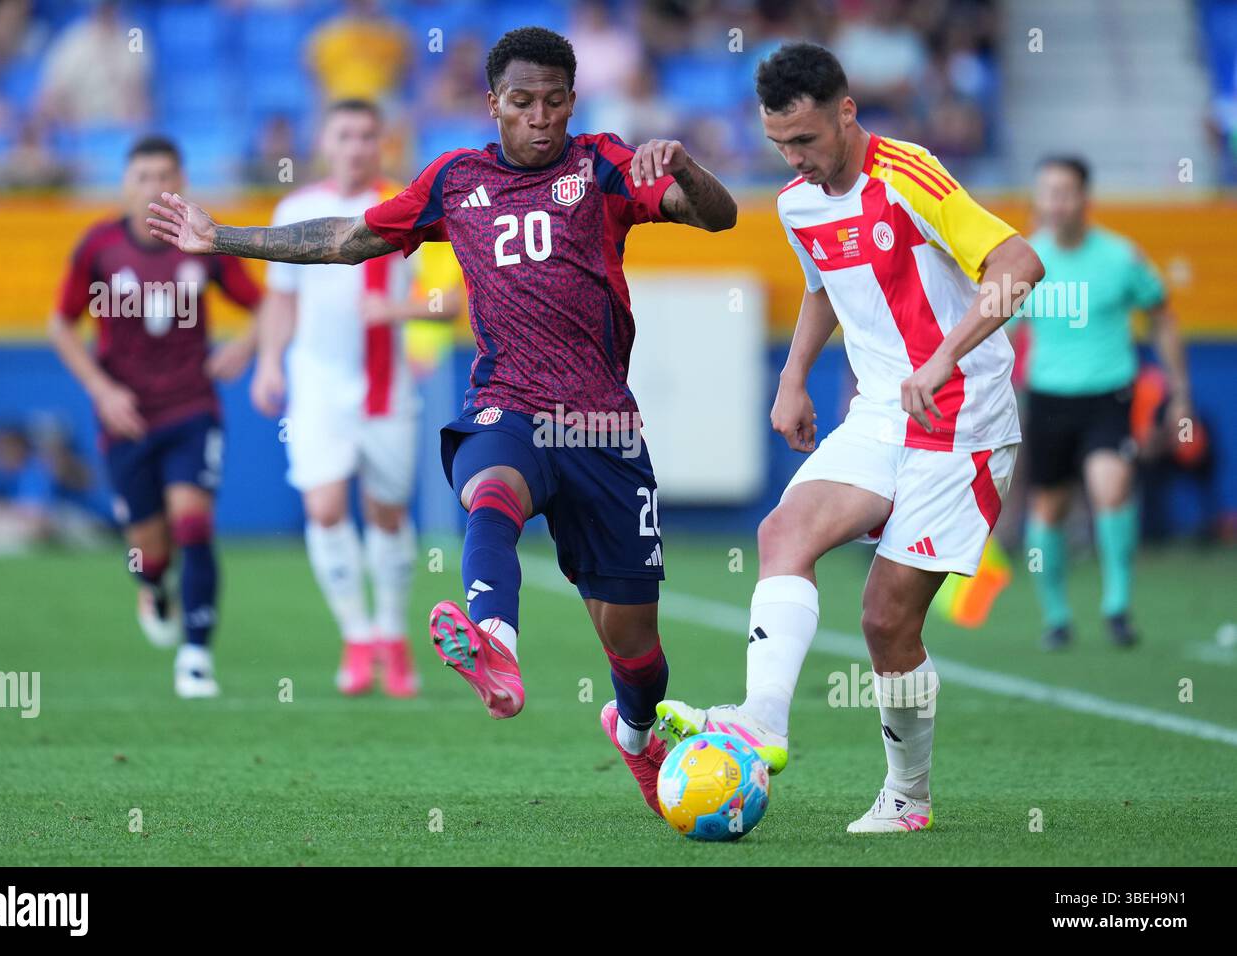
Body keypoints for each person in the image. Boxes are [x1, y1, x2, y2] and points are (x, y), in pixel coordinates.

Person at [147, 27, 737, 814]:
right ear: (492, 102)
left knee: (634, 645)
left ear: (573, 100)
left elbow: (719, 219)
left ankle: (635, 734)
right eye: (522, 102)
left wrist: (686, 165)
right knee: (490, 483)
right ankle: (496, 639)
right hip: (508, 403)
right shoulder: (456, 182)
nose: (540, 118)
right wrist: (221, 237)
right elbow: (347, 239)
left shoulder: (601, 165)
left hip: (600, 428)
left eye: (555, 102)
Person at [655, 42, 1044, 833]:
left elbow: (1019, 261)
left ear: (846, 112)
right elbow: (823, 284)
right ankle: (762, 723)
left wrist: (941, 358)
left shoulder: (912, 175)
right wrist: (792, 377)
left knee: (885, 621)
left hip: (960, 421)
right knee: (782, 532)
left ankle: (907, 796)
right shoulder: (799, 202)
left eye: (806, 140)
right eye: (779, 146)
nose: (795, 160)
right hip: (878, 412)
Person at [250, 98, 456, 696]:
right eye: (345, 134)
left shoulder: (408, 207)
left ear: (381, 143)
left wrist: (395, 308)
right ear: (326, 140)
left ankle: (393, 635)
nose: (357, 146)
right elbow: (282, 297)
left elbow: (450, 303)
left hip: (386, 387)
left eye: (368, 135)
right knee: (324, 509)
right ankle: (357, 635)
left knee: (387, 513)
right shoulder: (297, 208)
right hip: (316, 384)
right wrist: (268, 361)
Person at [49, 135, 260, 698]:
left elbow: (263, 303)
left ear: (182, 181)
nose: (155, 186)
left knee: (193, 523)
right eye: (143, 176)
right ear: (126, 184)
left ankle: (195, 657)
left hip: (193, 409)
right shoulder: (98, 246)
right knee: (148, 550)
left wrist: (244, 345)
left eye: (165, 175)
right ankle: (153, 586)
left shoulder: (202, 240)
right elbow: (60, 323)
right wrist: (101, 390)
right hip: (127, 419)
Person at [1020, 156, 1192, 650]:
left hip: (1109, 396)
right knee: (1048, 508)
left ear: (1084, 199)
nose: (1055, 202)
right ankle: (1055, 617)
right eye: (1047, 192)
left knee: (1110, 488)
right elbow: (997, 335)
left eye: (1065, 191)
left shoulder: (1121, 258)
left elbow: (1162, 316)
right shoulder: (1024, 261)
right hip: (1048, 398)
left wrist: (1180, 390)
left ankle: (1117, 605)